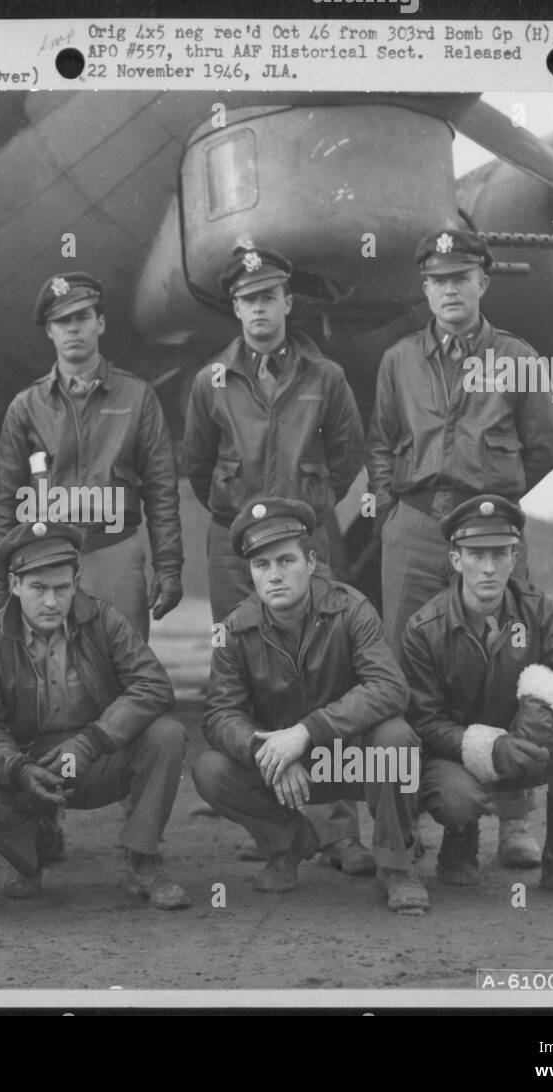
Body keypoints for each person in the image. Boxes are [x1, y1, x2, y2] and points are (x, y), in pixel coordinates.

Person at [367, 228, 553, 867]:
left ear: (483, 281)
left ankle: (512, 820)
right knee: (402, 671)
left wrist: (494, 512)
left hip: (490, 535)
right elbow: (380, 442)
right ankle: (412, 820)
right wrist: (391, 509)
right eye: (437, 280)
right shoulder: (399, 360)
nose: (450, 290)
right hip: (418, 528)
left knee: (509, 665)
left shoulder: (518, 355)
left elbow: (545, 446)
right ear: (424, 289)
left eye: (461, 278)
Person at [183, 241, 371, 876]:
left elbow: (348, 456)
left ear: (288, 302)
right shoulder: (211, 380)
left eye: (268, 296)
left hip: (304, 544)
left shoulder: (327, 378)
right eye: (245, 299)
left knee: (325, 672)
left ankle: (341, 829)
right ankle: (273, 824)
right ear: (234, 309)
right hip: (235, 549)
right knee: (242, 672)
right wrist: (239, 518)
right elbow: (196, 464)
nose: (257, 309)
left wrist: (308, 510)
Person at [192, 499, 429, 915]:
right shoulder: (235, 629)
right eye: (261, 565)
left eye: (286, 560)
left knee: (396, 737)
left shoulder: (351, 608)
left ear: (312, 561)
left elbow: (390, 688)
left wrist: (305, 733)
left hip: (349, 759)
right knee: (210, 769)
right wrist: (264, 750)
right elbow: (219, 714)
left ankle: (396, 867)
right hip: (287, 768)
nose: (274, 575)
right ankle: (287, 845)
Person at [0, 521, 190, 909]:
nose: (50, 602)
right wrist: (20, 771)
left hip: (97, 756)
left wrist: (91, 742)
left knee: (166, 734)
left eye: (61, 588)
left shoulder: (103, 620)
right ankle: (30, 854)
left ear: (77, 582)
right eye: (37, 588)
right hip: (32, 766)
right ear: (14, 585)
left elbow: (155, 686)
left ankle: (144, 861)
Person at [402, 496, 553, 899]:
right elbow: (423, 721)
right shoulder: (423, 628)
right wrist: (489, 747)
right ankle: (459, 836)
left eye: (499, 554)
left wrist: (542, 699)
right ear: (454, 559)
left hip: (530, 742)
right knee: (455, 798)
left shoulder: (535, 608)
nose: (488, 567)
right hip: (461, 757)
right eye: (476, 554)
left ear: (513, 558)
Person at [0, 271, 183, 641]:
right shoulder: (26, 406)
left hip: (115, 551)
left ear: (100, 323)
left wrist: (169, 568)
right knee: (53, 678)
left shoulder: (137, 397)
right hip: (47, 559)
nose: (73, 329)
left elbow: (162, 493)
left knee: (125, 673)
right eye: (62, 321)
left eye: (82, 318)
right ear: (49, 330)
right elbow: (5, 502)